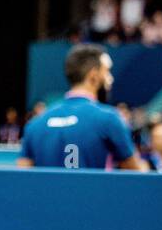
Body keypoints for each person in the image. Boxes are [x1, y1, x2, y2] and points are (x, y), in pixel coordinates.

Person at [17, 44, 145, 171]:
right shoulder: (110, 119)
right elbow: (136, 175)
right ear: (93, 75)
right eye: (107, 71)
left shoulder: (35, 125)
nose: (110, 79)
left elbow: (22, 177)